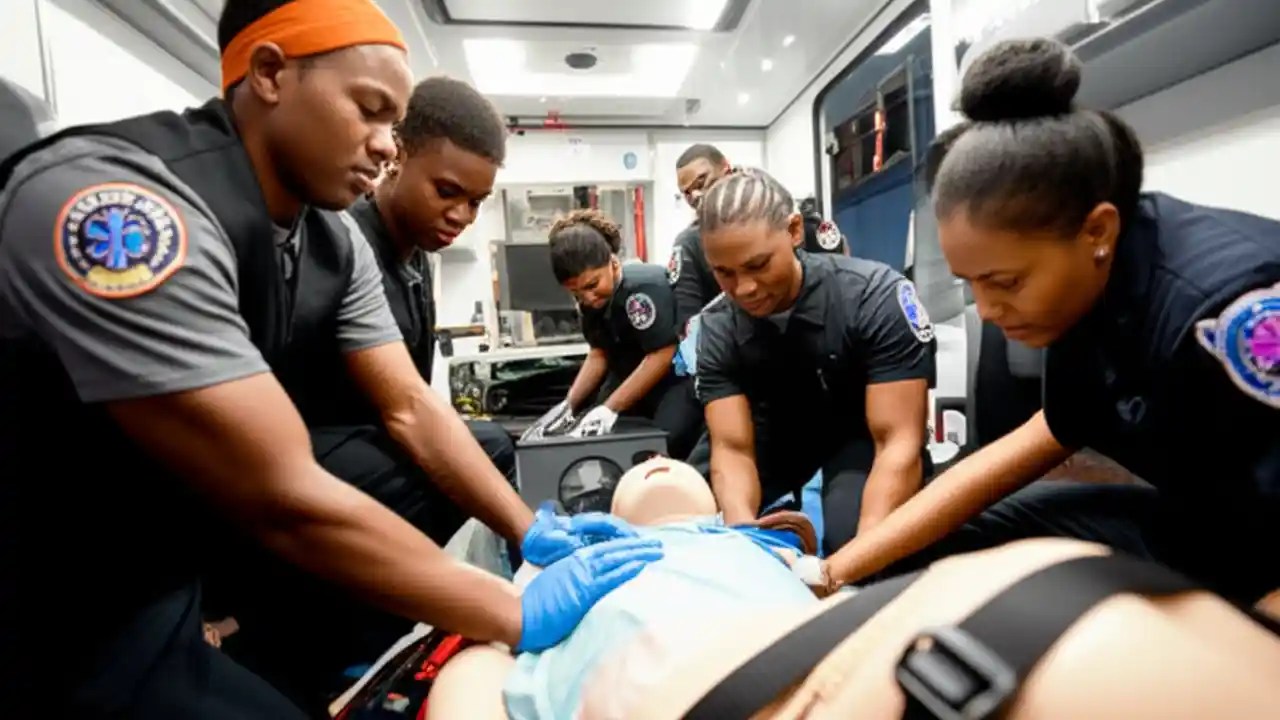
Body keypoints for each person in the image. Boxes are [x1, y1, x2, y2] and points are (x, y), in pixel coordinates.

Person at [0, 1, 660, 717]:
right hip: (56, 595)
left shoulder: (331, 242)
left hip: (152, 577)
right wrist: (511, 612)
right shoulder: (120, 206)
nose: (385, 147)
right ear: (270, 74)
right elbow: (281, 491)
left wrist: (527, 529)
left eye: (393, 125)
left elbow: (412, 408)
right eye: (369, 111)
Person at [816, 38, 1280, 608]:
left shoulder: (1234, 313)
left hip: (1261, 545)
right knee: (915, 559)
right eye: (970, 283)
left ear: (1097, 232)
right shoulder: (1085, 286)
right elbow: (1031, 445)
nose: (987, 310)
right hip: (1200, 517)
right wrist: (835, 573)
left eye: (1005, 282)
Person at [425, 462, 1280, 719]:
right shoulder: (549, 575)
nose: (654, 463)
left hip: (903, 642)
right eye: (635, 475)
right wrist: (495, 621)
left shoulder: (768, 547)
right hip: (842, 680)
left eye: (669, 462)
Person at [210, 74, 524, 709]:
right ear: (397, 156)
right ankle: (311, 628)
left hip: (359, 451)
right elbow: (406, 411)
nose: (461, 216)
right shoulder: (341, 244)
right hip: (294, 466)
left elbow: (412, 398)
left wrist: (527, 531)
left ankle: (378, 618)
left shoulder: (414, 261)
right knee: (468, 456)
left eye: (476, 202)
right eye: (447, 192)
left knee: (488, 445)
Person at [686, 167, 936, 555]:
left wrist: (859, 561)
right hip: (770, 434)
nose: (744, 288)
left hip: (858, 434)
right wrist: (742, 543)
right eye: (724, 273)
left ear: (794, 230)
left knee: (854, 539)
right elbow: (732, 450)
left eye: (758, 265)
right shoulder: (718, 326)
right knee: (683, 518)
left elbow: (898, 443)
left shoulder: (873, 297)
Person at [525, 209, 704, 460]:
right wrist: (569, 405)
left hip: (673, 380)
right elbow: (599, 353)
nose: (588, 298)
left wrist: (611, 407)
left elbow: (662, 353)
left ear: (613, 263)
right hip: (628, 375)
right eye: (577, 293)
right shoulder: (591, 302)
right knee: (597, 442)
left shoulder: (641, 290)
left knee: (659, 445)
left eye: (592, 285)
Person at [669, 144, 847, 335]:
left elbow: (840, 275)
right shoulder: (690, 244)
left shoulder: (792, 217)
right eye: (687, 193)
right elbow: (689, 326)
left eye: (701, 182)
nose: (696, 195)